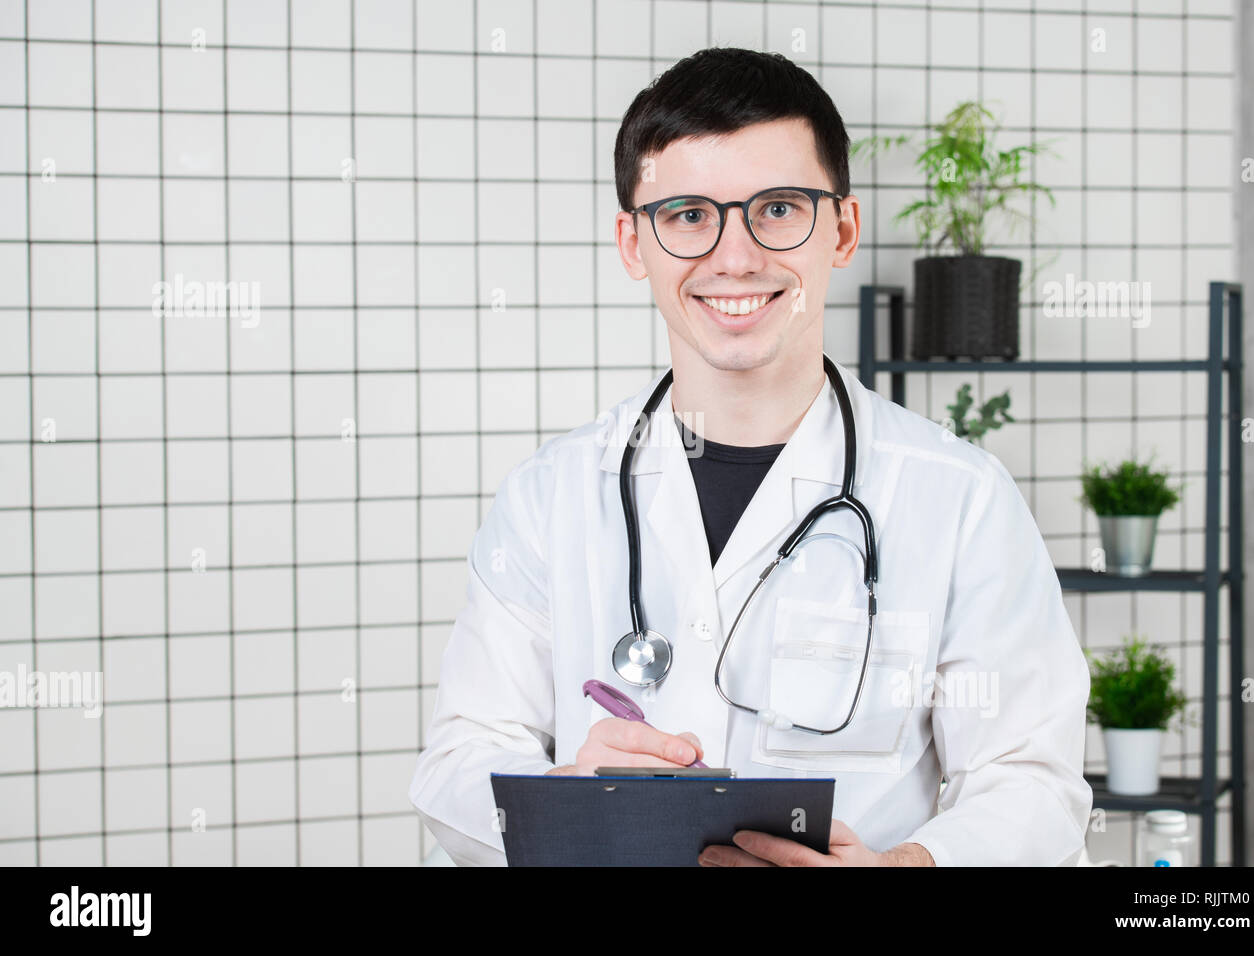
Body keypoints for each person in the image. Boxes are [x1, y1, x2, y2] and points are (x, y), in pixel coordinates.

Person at [410, 47, 1092, 867]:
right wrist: (565, 793)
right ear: (634, 243)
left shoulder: (961, 499)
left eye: (777, 209)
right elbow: (458, 765)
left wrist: (907, 868)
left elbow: (1032, 781)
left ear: (841, 229)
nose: (735, 257)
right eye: (690, 215)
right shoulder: (550, 498)